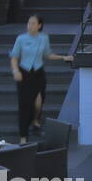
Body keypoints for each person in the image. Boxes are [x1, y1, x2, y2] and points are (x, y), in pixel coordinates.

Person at [10, 14, 71, 142]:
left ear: (39, 25)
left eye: (33, 23)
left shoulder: (43, 38)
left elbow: (47, 54)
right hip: (24, 73)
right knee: (24, 104)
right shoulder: (21, 38)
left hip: (38, 72)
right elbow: (14, 56)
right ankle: (23, 136)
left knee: (38, 101)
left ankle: (35, 120)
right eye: (28, 23)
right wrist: (15, 70)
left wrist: (62, 57)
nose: (30, 26)